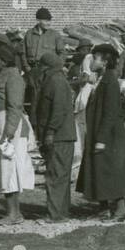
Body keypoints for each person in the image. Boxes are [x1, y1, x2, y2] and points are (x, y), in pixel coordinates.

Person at [77, 42, 125, 219]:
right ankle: (104, 209)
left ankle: (121, 209)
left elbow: (110, 112)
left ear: (105, 62)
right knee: (98, 171)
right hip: (98, 132)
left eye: (96, 58)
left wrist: (102, 138)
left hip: (108, 136)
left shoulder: (110, 81)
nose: (92, 61)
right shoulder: (100, 80)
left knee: (110, 171)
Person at [0, 45, 35, 224]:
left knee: (9, 166)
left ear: (3, 60)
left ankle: (13, 213)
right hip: (2, 121)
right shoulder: (2, 75)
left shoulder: (14, 77)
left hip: (11, 124)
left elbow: (15, 107)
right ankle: (14, 212)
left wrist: (8, 134)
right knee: (5, 167)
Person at [34, 52, 76, 222]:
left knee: (55, 176)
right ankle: (61, 212)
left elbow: (58, 110)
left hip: (58, 136)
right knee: (61, 176)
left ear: (46, 67)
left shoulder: (55, 81)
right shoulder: (58, 80)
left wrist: (50, 131)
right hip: (63, 135)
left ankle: (55, 214)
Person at [23, 7, 67, 131]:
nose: (48, 23)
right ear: (38, 20)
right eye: (45, 20)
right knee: (33, 99)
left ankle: (45, 127)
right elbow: (23, 53)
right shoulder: (29, 34)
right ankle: (33, 129)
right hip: (34, 71)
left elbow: (62, 53)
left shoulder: (55, 35)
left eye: (49, 21)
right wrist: (27, 68)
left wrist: (57, 67)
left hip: (49, 72)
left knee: (46, 98)